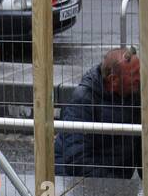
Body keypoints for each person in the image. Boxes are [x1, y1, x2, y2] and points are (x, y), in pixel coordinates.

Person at [55, 47, 142, 179]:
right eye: (134, 74)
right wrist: (116, 186)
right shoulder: (84, 99)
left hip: (112, 178)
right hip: (75, 179)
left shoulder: (134, 92)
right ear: (113, 80)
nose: (139, 78)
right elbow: (77, 160)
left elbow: (142, 145)